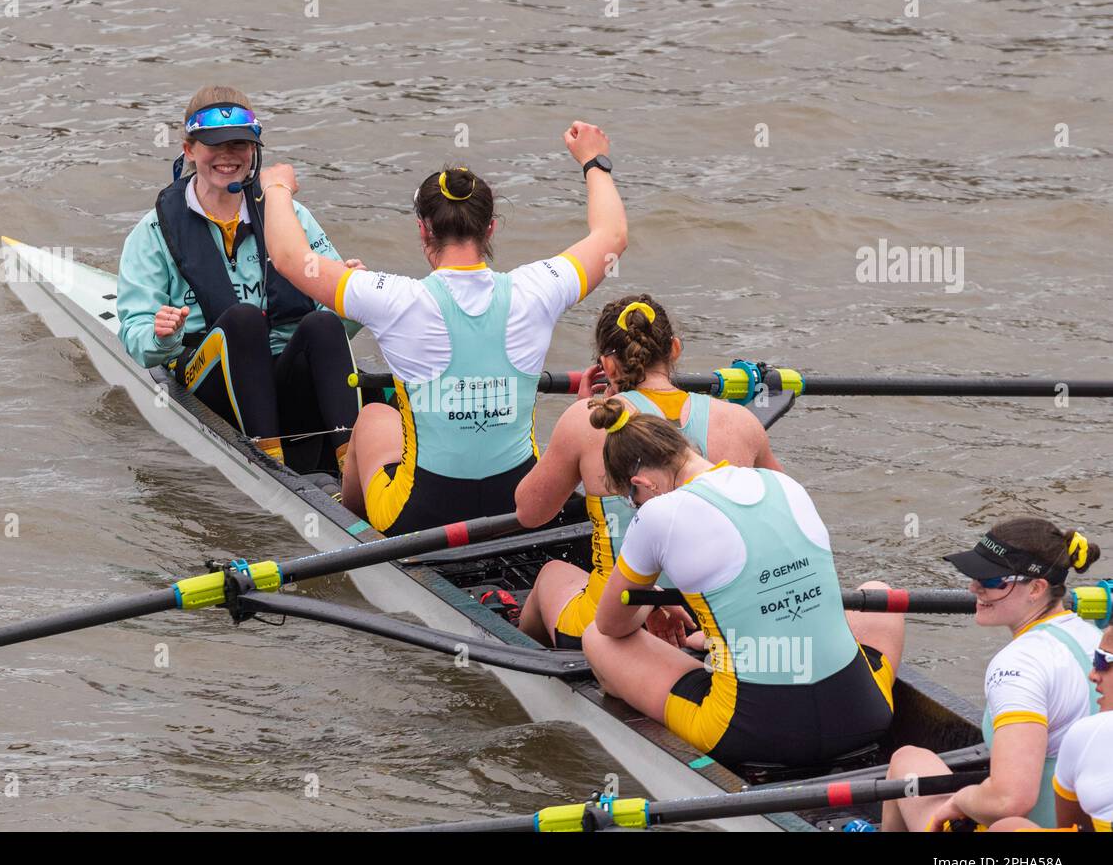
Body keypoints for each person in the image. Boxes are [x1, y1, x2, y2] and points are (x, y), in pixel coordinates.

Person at [258, 121, 627, 534]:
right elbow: (612, 235)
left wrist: (276, 188)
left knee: (376, 415)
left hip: (419, 516)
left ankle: (351, 525)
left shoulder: (395, 299)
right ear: (489, 228)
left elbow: (290, 258)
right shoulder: (538, 289)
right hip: (521, 503)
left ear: (423, 229)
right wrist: (595, 162)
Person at [579, 397, 902, 767]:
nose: (636, 506)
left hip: (751, 733)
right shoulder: (781, 482)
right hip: (864, 714)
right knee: (878, 594)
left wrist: (651, 598)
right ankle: (723, 649)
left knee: (596, 639)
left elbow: (611, 623)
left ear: (642, 483)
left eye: (631, 499)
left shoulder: (657, 514)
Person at [116, 85, 363, 471]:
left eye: (239, 144)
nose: (228, 156)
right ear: (189, 150)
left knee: (323, 323)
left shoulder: (290, 216)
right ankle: (269, 464)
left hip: (282, 371)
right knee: (244, 319)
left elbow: (340, 327)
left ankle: (353, 468)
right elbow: (136, 338)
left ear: (254, 151)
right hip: (210, 378)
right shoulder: (151, 235)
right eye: (215, 144)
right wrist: (162, 334)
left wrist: (354, 296)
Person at [514, 295, 781, 648]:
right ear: (674, 349)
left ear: (608, 367)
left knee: (552, 574)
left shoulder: (585, 422)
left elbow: (530, 513)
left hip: (615, 622)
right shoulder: (740, 423)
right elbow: (782, 518)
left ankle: (525, 669)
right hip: (716, 619)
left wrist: (583, 417)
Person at [882, 519, 1101, 831]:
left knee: (905, 763)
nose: (974, 587)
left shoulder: (1019, 664)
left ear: (1037, 588)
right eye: (974, 576)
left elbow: (1009, 800)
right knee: (910, 759)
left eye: (991, 579)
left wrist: (960, 801)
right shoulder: (1095, 637)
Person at [991, 621, 1113, 832]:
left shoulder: (1089, 733)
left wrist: (959, 802)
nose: (1092, 674)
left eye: (1102, 661)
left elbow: (1072, 825)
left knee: (1007, 827)